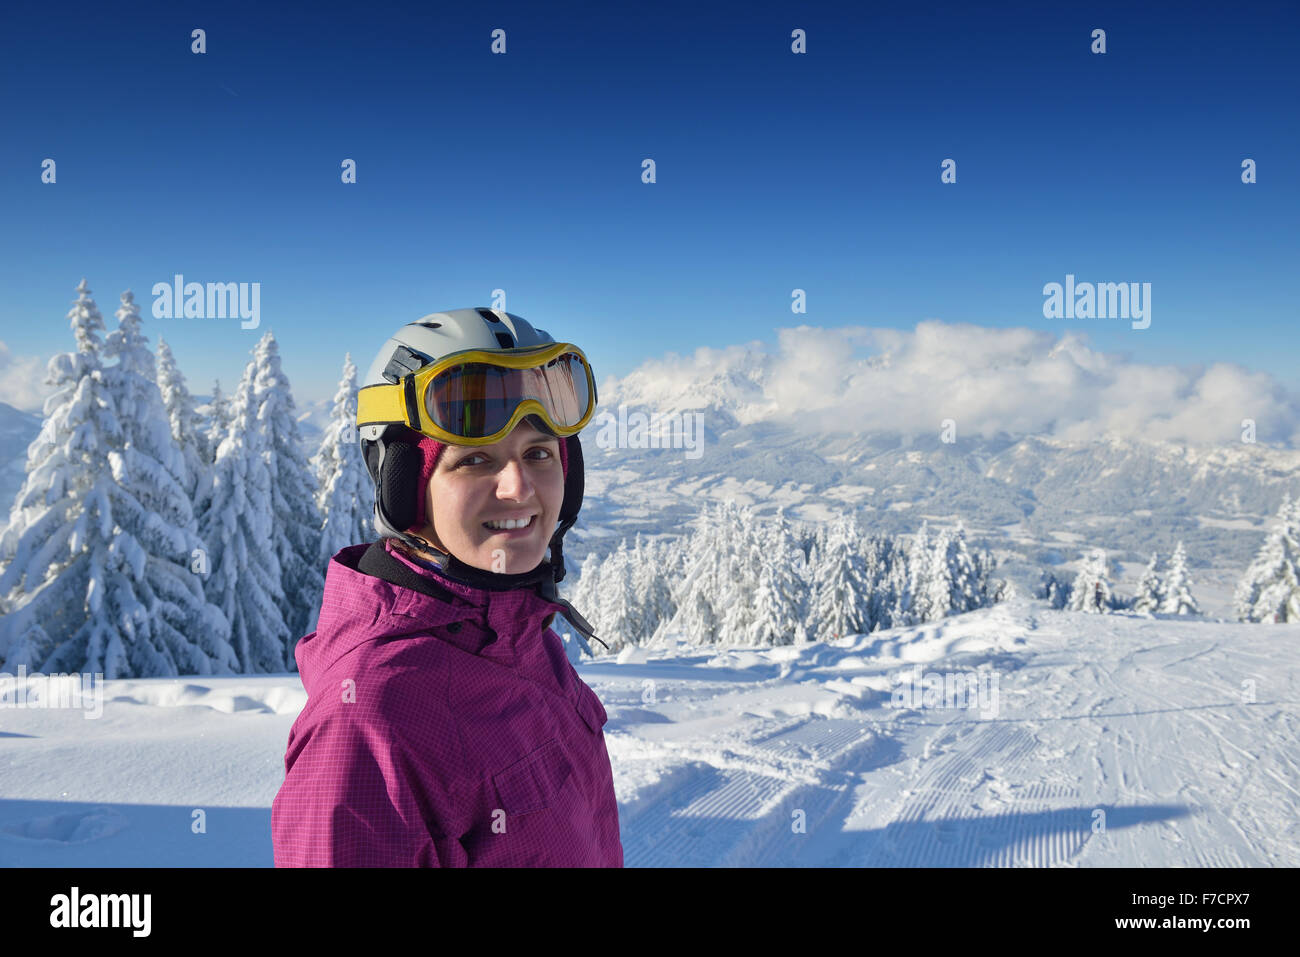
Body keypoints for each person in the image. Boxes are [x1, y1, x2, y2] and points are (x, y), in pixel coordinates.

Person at [271, 307, 623, 867]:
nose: (519, 488)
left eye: (538, 453)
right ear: (406, 488)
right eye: (476, 460)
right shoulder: (368, 723)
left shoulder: (524, 639)